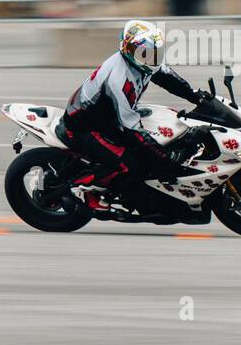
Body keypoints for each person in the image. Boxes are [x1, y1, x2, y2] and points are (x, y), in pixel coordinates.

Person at [55, 20, 209, 210]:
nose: (152, 57)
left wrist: (195, 96)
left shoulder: (144, 61)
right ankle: (86, 190)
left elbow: (167, 77)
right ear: (128, 49)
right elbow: (131, 128)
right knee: (131, 164)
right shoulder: (118, 79)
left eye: (155, 52)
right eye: (145, 53)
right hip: (85, 127)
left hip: (108, 118)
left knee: (156, 143)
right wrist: (165, 159)